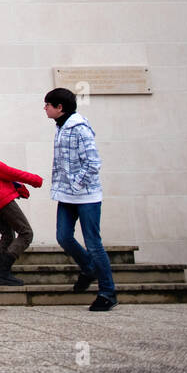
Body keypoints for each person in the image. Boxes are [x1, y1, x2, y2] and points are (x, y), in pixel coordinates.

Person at [45, 87, 117, 312]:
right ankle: (88, 268)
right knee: (63, 237)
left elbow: (93, 162)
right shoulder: (61, 127)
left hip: (86, 196)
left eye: (48, 105)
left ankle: (107, 292)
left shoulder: (80, 128)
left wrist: (76, 183)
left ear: (60, 107)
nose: (45, 109)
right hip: (67, 195)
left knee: (93, 243)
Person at [0, 148, 42, 285]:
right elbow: (3, 170)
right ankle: (3, 271)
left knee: (7, 237)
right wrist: (33, 179)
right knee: (26, 233)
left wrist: (16, 186)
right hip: (1, 198)